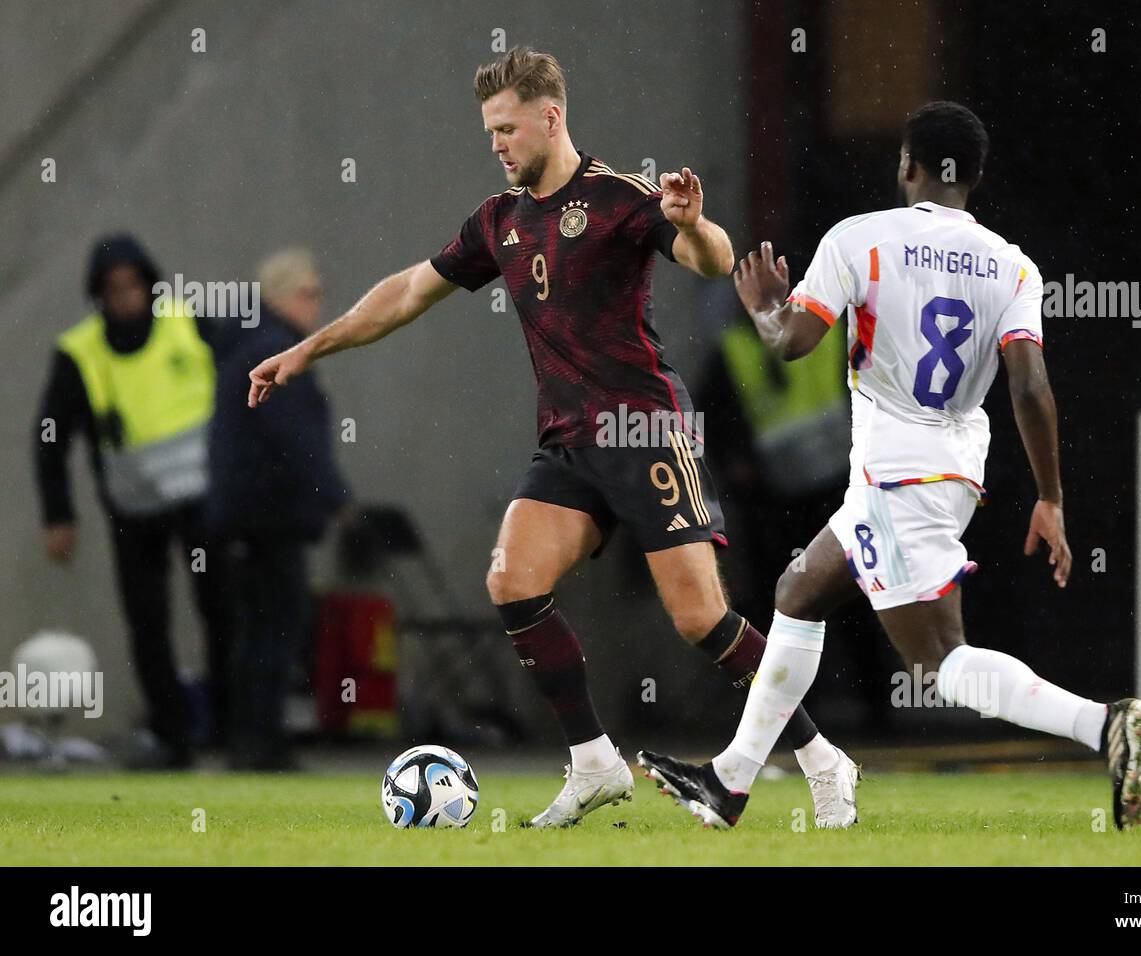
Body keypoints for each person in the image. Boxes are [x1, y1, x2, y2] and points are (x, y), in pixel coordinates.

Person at [246, 47, 860, 827]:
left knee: (700, 617)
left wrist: (693, 221)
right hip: (567, 444)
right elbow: (407, 291)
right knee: (512, 579)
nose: (497, 144)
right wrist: (306, 348)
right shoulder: (499, 221)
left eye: (506, 128)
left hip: (644, 431)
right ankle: (594, 762)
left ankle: (821, 759)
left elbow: (711, 260)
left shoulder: (617, 198)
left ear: (550, 117)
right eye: (488, 132)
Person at [638, 102, 1141, 832]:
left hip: (895, 474)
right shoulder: (1012, 264)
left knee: (943, 662)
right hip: (949, 470)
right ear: (973, 177)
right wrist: (1051, 496)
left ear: (908, 166)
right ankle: (731, 780)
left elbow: (791, 342)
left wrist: (761, 307)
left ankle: (1103, 724)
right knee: (798, 591)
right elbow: (1031, 386)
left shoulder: (863, 238)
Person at [33, 233, 232, 768]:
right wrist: (59, 515)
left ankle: (232, 728)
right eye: (113, 289)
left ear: (149, 284)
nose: (125, 298)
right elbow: (50, 435)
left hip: (202, 503)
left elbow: (242, 388)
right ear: (98, 295)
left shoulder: (186, 324)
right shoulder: (80, 352)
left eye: (132, 285)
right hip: (133, 511)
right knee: (148, 623)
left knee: (222, 610)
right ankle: (173, 737)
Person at [207, 248, 350, 770]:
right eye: (310, 293)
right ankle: (260, 744)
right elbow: (296, 439)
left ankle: (251, 740)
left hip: (250, 516)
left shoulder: (251, 344)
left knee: (258, 629)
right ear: (282, 295)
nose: (318, 304)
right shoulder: (275, 350)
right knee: (275, 627)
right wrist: (337, 498)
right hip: (268, 518)